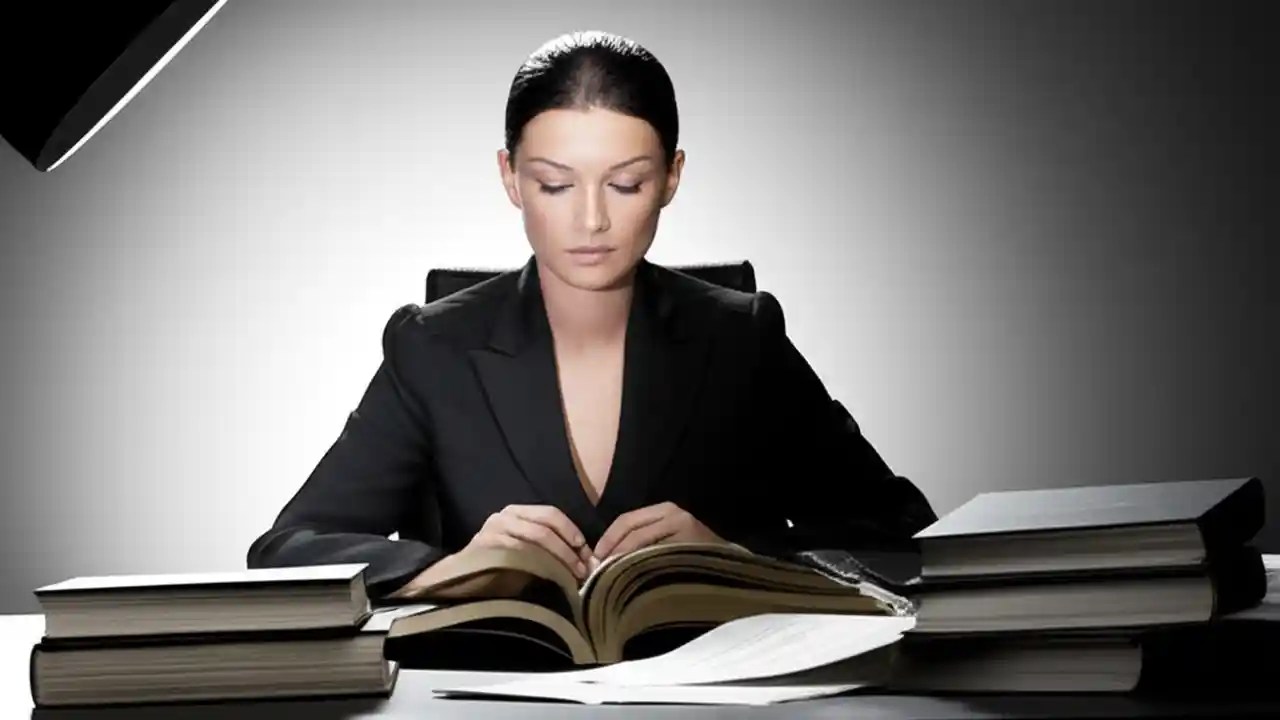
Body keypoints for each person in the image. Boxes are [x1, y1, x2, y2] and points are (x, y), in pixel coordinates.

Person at [246, 30, 936, 603]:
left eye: (627, 183)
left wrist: (734, 555)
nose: (591, 219)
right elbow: (288, 550)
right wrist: (449, 568)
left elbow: (905, 535)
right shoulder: (433, 348)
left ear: (671, 176)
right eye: (554, 184)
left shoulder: (741, 338)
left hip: (714, 703)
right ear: (509, 177)